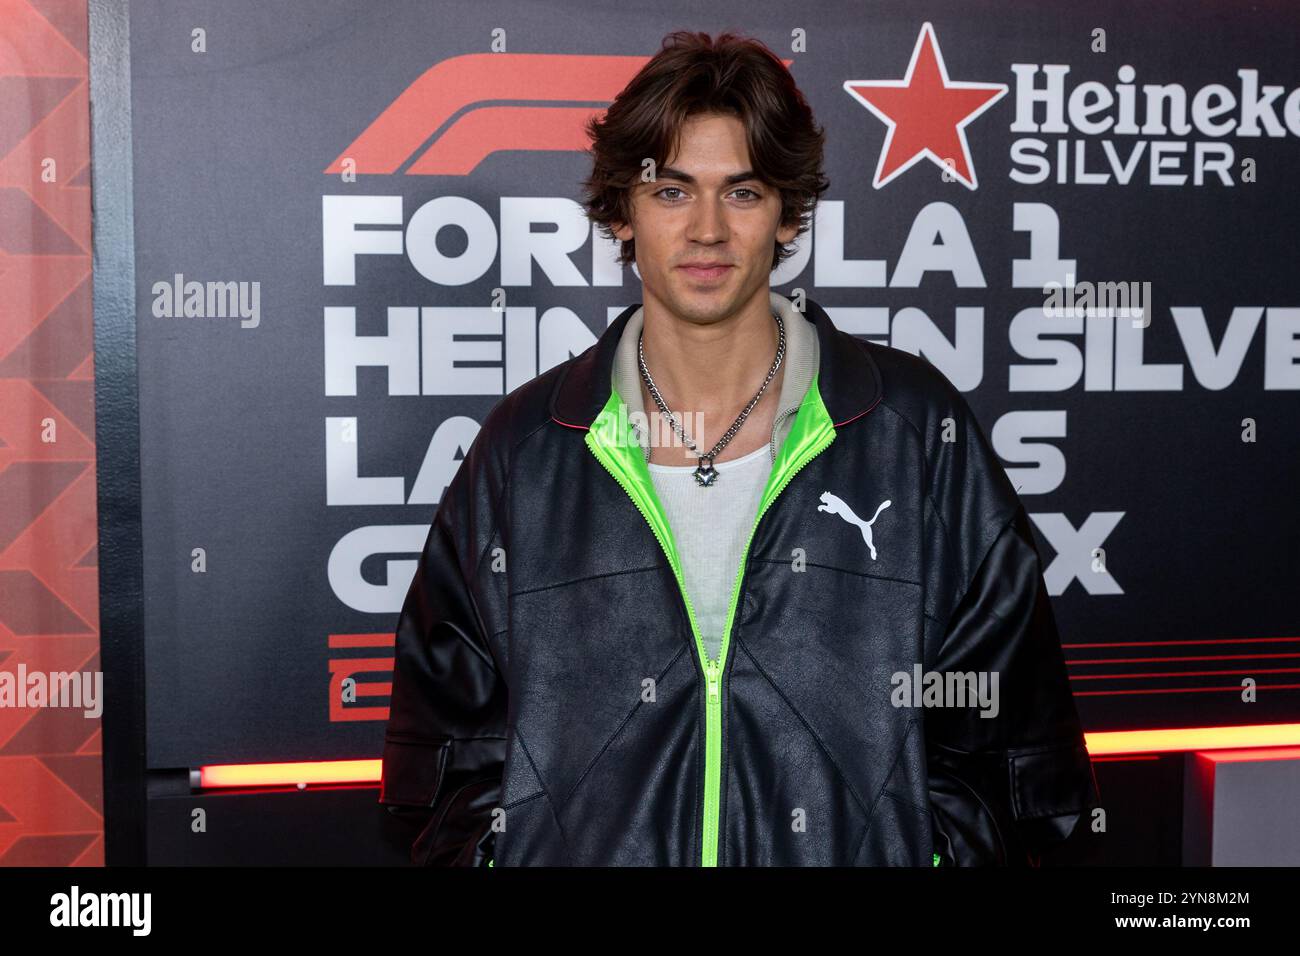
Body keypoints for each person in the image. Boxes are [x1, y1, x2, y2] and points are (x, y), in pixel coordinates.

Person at [380, 30, 1098, 866]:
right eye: (673, 191)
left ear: (789, 211)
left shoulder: (912, 431)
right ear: (622, 209)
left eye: (744, 192)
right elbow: (444, 762)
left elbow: (1015, 751)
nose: (709, 230)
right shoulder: (524, 451)